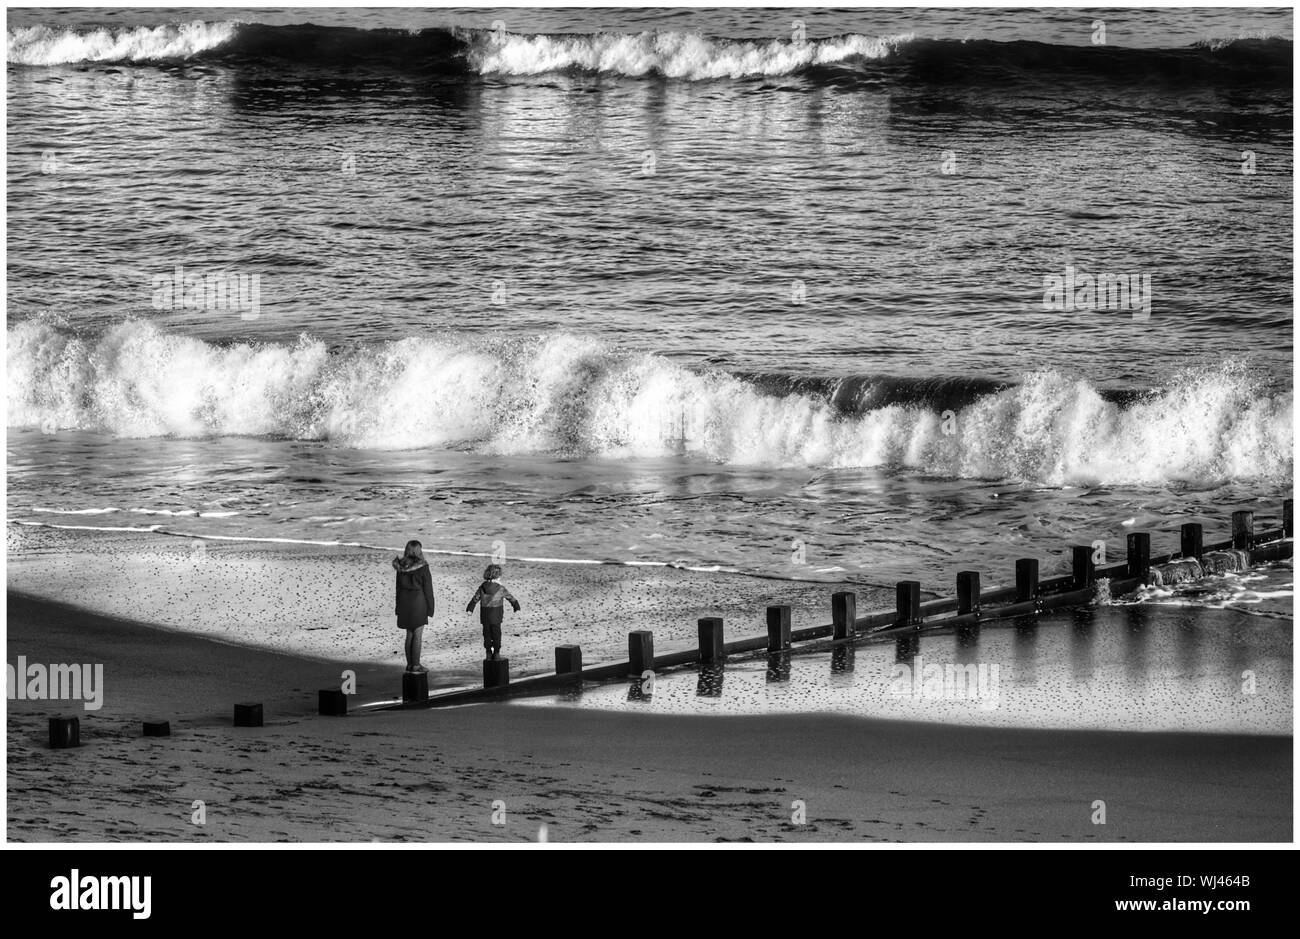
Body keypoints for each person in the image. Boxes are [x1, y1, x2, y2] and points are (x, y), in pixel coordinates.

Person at [392, 540, 435, 672]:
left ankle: (410, 664)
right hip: (418, 603)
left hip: (404, 602)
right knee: (417, 634)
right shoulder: (423, 567)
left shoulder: (400, 567)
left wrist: (397, 606)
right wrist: (431, 608)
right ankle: (416, 665)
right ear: (418, 551)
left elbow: (398, 588)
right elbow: (428, 589)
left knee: (409, 634)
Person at [466, 564, 520, 660]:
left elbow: (475, 598)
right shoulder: (500, 588)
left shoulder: (482, 587)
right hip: (496, 616)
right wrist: (516, 606)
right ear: (498, 576)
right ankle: (496, 653)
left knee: (487, 634)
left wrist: (470, 609)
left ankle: (488, 653)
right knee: (496, 634)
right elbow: (510, 597)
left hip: (485, 616)